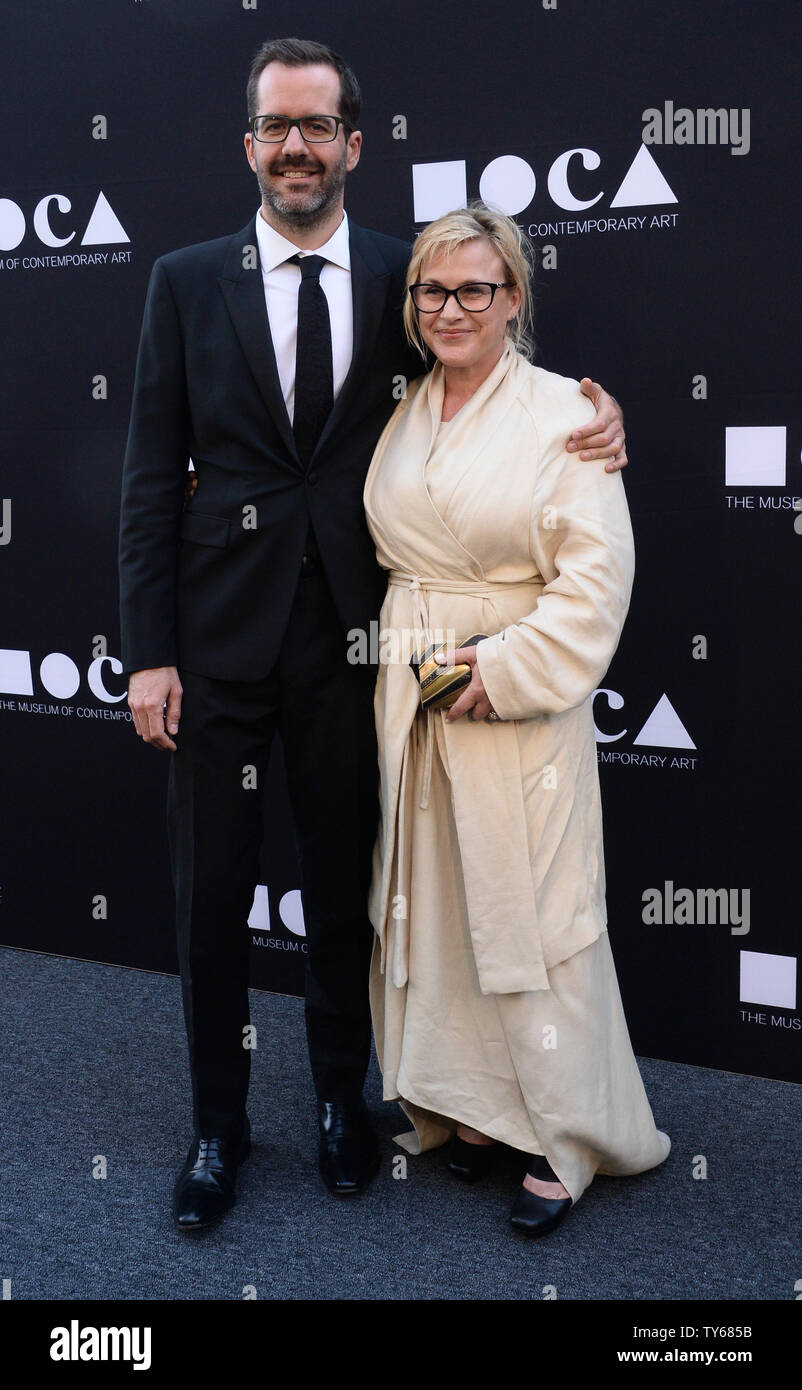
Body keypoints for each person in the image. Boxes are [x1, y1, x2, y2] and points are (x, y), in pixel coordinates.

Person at [118, 37, 629, 1231]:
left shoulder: (414, 278)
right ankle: (217, 1126)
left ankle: (347, 1105)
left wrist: (601, 413)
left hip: (363, 651)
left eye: (317, 126)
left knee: (352, 893)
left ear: (354, 142)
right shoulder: (184, 280)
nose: (295, 146)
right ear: (249, 145)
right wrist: (148, 650)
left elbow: (494, 385)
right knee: (212, 900)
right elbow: (150, 478)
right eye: (273, 126)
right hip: (213, 646)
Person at [363, 202, 670, 1236]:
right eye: (433, 289)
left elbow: (595, 582)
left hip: (511, 698)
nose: (452, 307)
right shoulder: (398, 406)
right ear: (412, 301)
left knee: (534, 917)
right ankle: (480, 1109)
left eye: (475, 289)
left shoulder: (562, 415)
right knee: (444, 905)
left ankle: (565, 1135)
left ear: (513, 299)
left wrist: (506, 669)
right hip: (414, 697)